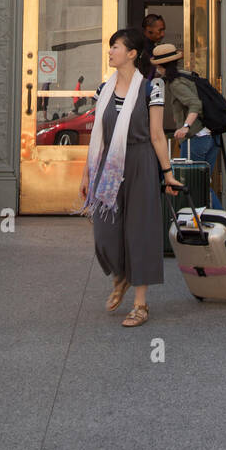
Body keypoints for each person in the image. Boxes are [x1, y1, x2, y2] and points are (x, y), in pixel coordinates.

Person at [79, 27, 184, 328]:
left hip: (140, 162)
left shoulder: (151, 89)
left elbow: (156, 135)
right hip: (108, 165)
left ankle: (140, 304)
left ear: (132, 54)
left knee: (140, 231)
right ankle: (121, 275)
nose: (110, 51)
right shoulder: (103, 90)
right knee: (104, 231)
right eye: (111, 46)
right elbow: (97, 136)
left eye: (116, 46)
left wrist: (167, 173)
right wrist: (86, 174)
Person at [149, 43, 222, 211]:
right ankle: (216, 219)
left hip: (197, 139)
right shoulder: (186, 75)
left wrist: (185, 127)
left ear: (161, 66)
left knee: (193, 182)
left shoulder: (175, 83)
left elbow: (195, 104)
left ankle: (221, 218)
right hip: (211, 136)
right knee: (203, 182)